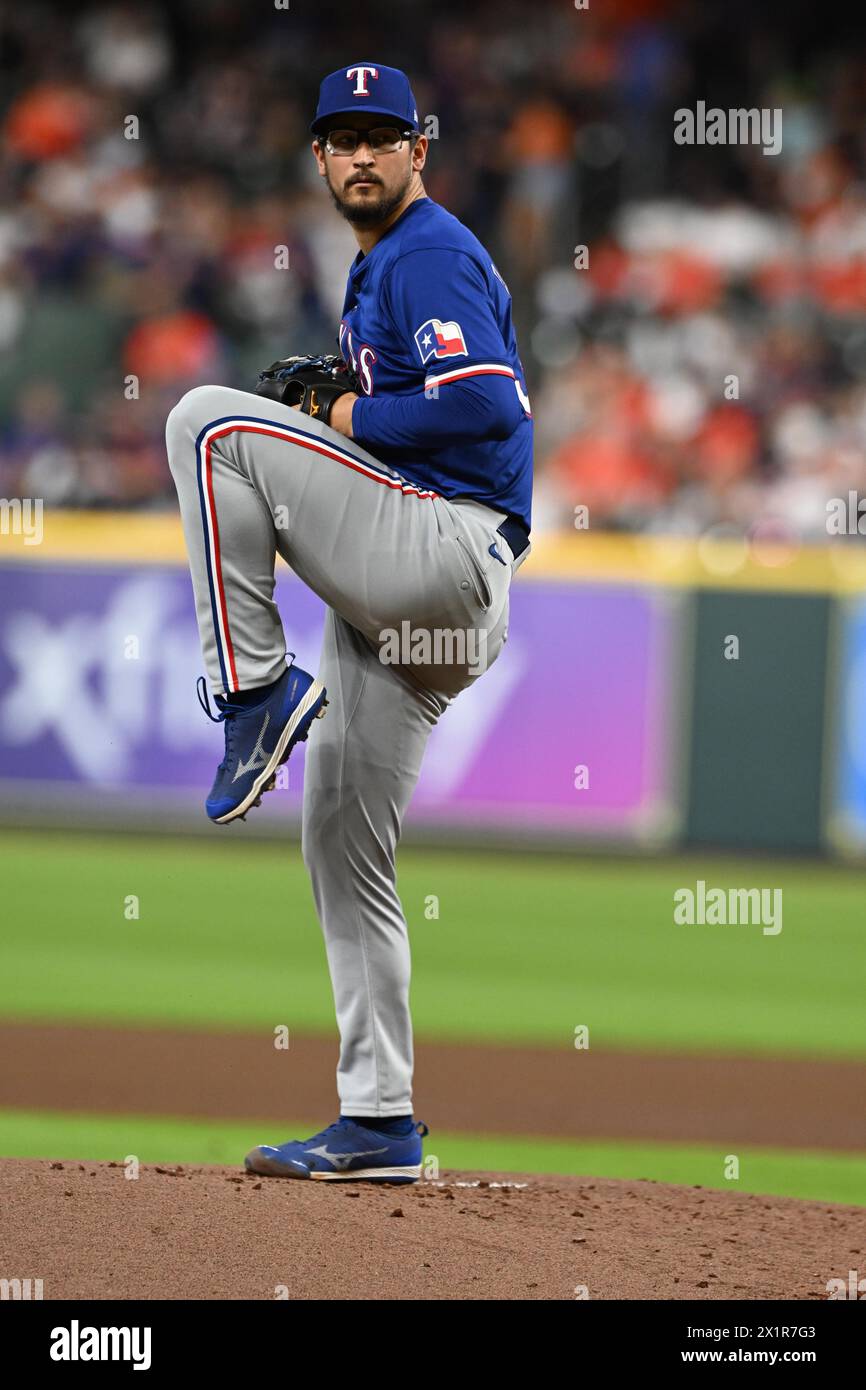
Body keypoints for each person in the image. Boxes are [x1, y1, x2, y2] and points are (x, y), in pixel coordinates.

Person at [165, 62, 533, 1183]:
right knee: (343, 839)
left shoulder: (421, 249)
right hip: (425, 609)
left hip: (442, 552)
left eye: (382, 135)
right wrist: (355, 418)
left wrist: (336, 409)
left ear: (418, 150)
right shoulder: (379, 268)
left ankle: (255, 685)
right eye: (342, 138)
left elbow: (486, 399)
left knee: (206, 424)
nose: (362, 155)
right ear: (318, 160)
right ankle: (378, 1120)